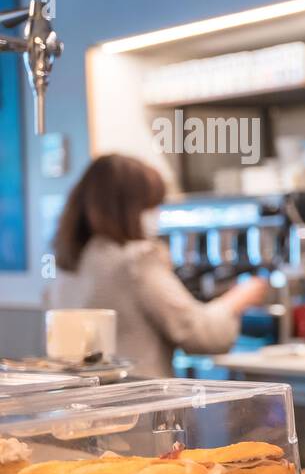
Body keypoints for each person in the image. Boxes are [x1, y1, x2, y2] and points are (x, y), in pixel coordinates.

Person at [49, 154, 266, 377]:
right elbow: (198, 334)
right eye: (151, 205)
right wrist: (238, 299)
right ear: (128, 208)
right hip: (138, 396)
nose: (157, 213)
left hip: (88, 397)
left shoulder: (72, 260)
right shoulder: (137, 260)